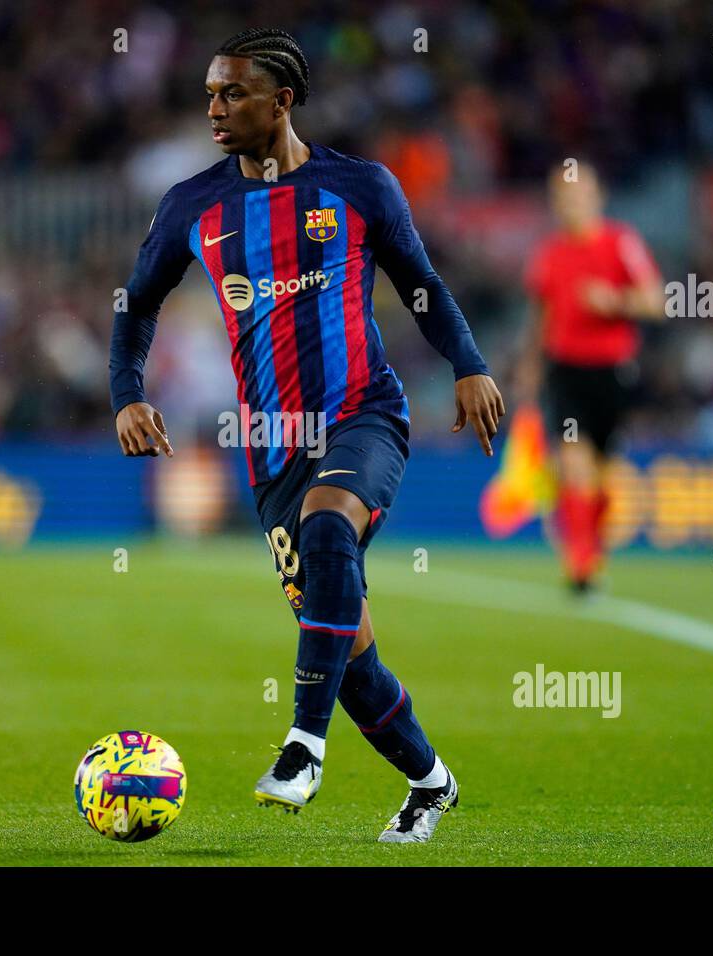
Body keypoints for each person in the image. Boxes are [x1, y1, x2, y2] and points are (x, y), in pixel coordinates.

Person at [109, 28, 503, 843]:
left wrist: (468, 363)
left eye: (234, 95)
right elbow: (136, 305)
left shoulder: (360, 187)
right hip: (271, 445)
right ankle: (430, 782)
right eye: (210, 94)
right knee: (347, 649)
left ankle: (302, 745)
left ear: (282, 101)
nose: (215, 109)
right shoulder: (193, 203)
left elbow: (421, 285)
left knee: (330, 526)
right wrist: (127, 393)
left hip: (365, 415)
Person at [521, 160, 665, 592]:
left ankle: (591, 548)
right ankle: (580, 564)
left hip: (613, 372)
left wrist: (614, 301)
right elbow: (541, 317)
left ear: (598, 197)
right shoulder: (549, 253)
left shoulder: (622, 242)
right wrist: (530, 366)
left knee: (603, 475)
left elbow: (656, 301)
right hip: (565, 370)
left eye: (579, 194)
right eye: (564, 196)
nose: (571, 203)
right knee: (574, 464)